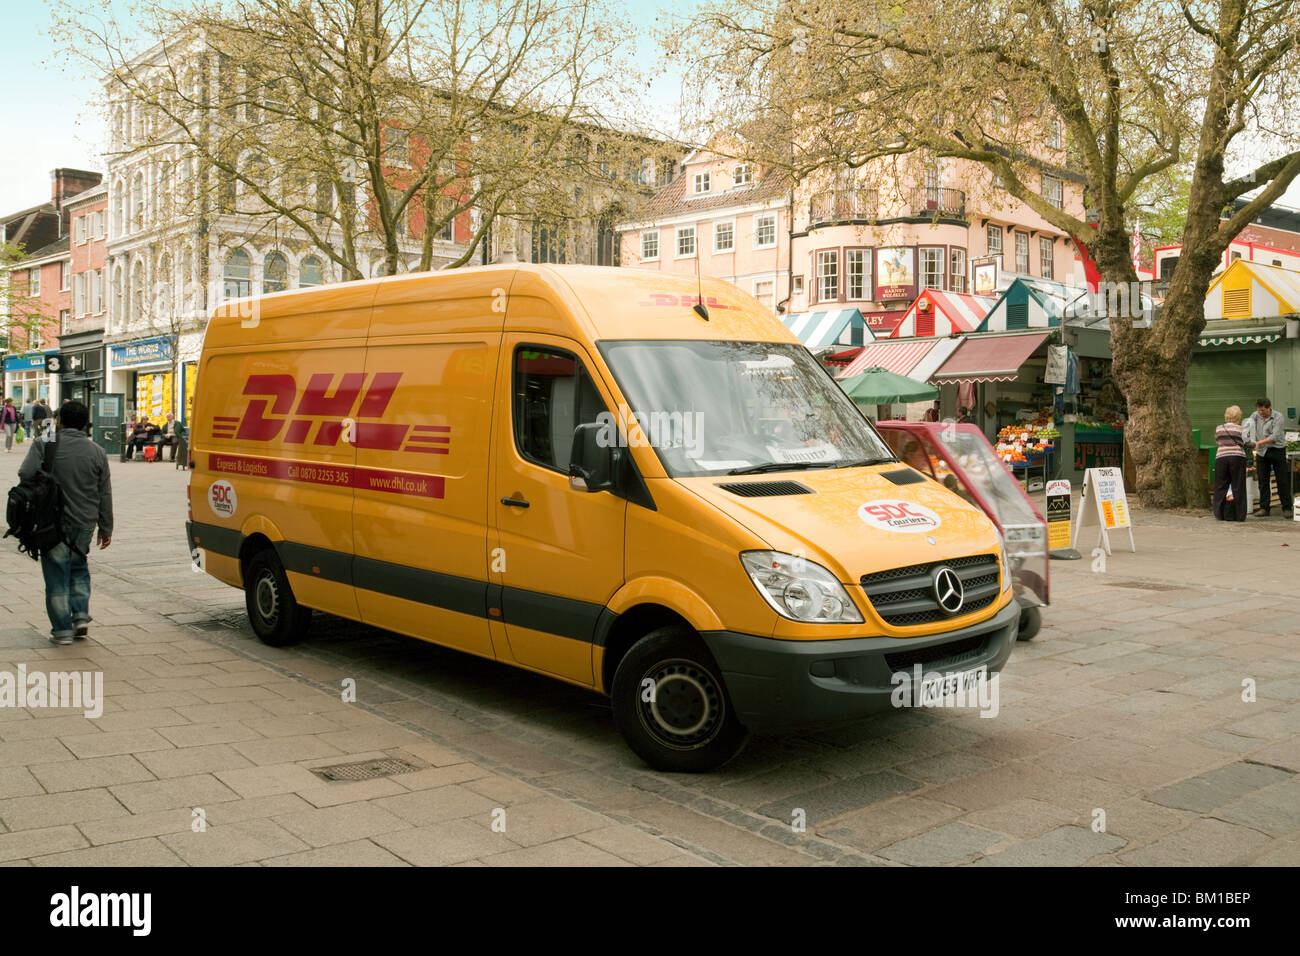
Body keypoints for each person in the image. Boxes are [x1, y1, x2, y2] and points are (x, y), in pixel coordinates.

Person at [17, 401, 113, 646]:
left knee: (57, 575)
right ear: (85, 423)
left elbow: (25, 474)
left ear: (59, 421)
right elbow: (105, 493)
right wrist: (106, 527)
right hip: (85, 523)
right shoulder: (97, 451)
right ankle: (80, 615)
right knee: (78, 566)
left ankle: (62, 631)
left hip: (52, 523)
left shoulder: (45, 442)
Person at [1246, 396, 1293, 518]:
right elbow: (1248, 427)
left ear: (1269, 408)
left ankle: (1287, 508)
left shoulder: (1278, 417)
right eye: (1259, 410)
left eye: (1263, 410)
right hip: (1262, 452)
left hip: (1277, 450)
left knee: (1282, 480)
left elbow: (1274, 437)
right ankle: (1264, 508)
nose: (1260, 413)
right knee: (1263, 480)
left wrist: (1257, 443)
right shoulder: (1255, 415)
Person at [1212, 405, 1247, 522]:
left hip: (1221, 457)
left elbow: (1217, 441)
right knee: (1238, 486)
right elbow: (1248, 442)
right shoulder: (1241, 429)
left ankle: (1219, 513)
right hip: (1237, 457)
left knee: (1220, 486)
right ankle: (1239, 515)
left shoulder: (1219, 428)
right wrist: (1255, 445)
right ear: (1238, 417)